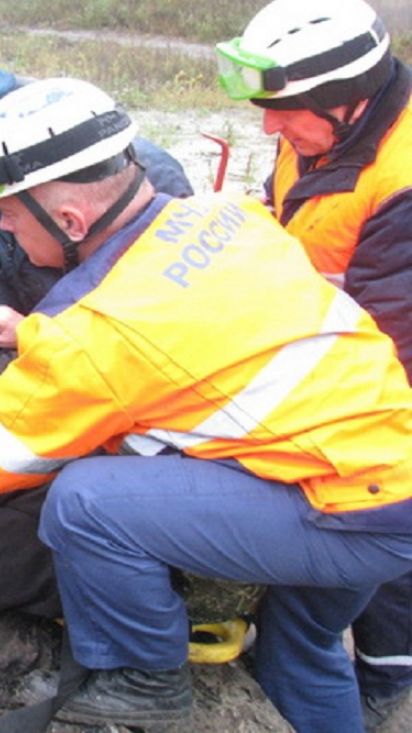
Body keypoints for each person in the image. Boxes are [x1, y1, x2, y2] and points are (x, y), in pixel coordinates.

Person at [0, 77, 412, 731]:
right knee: (303, 649)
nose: (5, 228)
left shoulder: (99, 336)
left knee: (88, 502)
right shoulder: (220, 216)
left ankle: (144, 677)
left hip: (350, 508)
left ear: (70, 221)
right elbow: (172, 334)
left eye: (10, 216)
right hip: (381, 461)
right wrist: (33, 330)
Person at [216, 0, 412, 726]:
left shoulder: (402, 180)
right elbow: (284, 216)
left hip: (390, 409)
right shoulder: (321, 127)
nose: (270, 128)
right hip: (347, 365)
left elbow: (391, 356)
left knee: (357, 570)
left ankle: (385, 680)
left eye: (283, 112)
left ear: (348, 100)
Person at [0, 66, 194, 313]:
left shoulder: (139, 172)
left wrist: (37, 333)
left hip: (112, 295)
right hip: (20, 284)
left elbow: (167, 295)